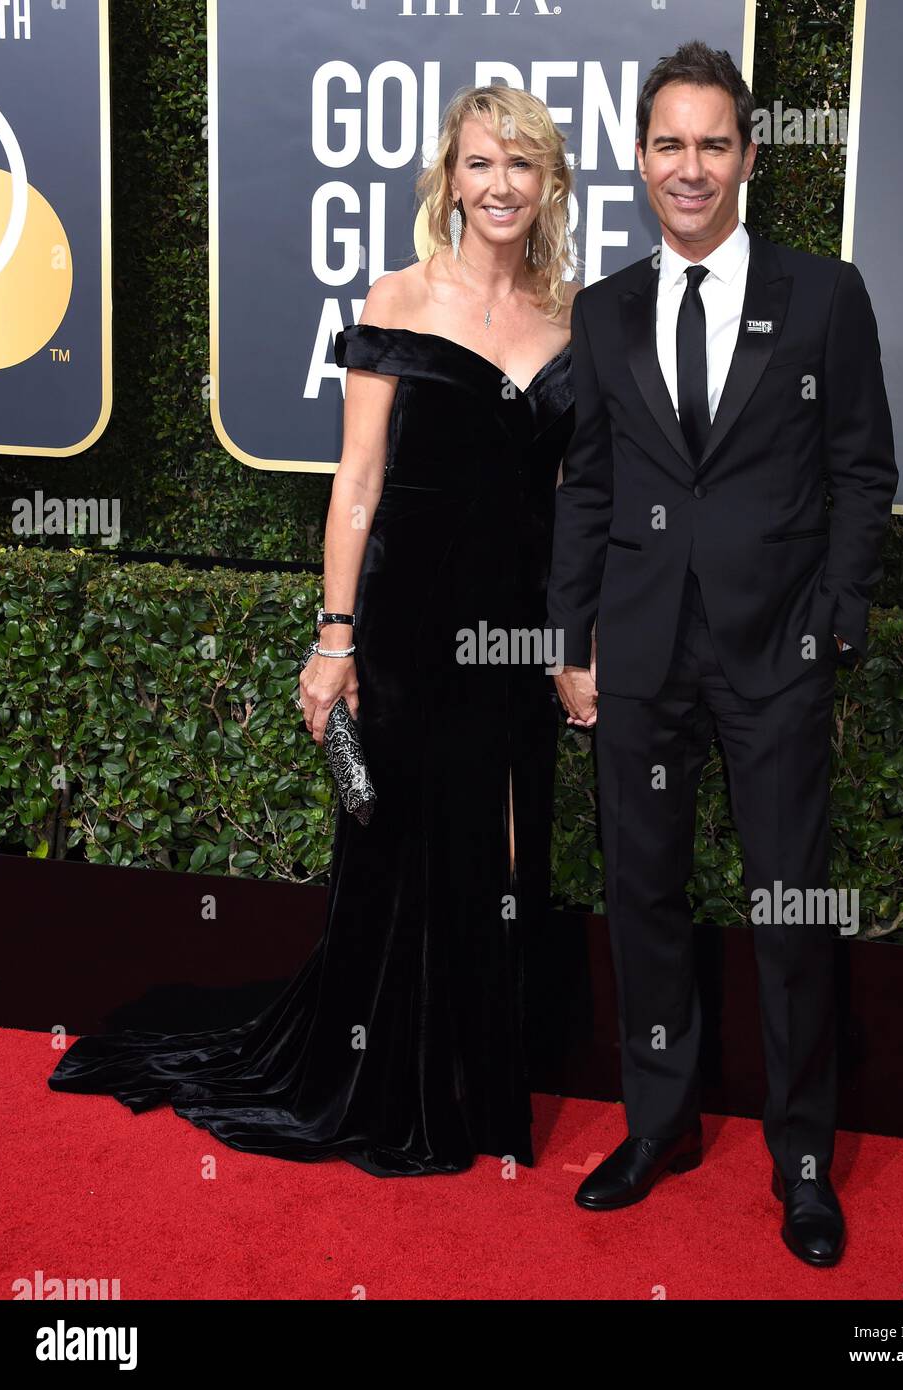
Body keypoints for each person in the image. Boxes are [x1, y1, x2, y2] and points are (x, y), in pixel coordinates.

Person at [49, 85, 579, 1177]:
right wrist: (334, 638)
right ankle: (384, 1079)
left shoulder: (573, 318)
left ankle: (483, 1088)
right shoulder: (398, 297)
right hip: (411, 619)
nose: (500, 186)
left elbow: (576, 497)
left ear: (550, 184)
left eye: (522, 165)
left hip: (520, 629)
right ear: (450, 177)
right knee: (402, 843)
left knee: (509, 851)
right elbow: (358, 483)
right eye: (481, 163)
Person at [545, 42, 896, 1263]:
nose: (688, 167)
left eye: (711, 143)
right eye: (666, 144)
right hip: (638, 656)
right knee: (641, 897)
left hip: (773, 656)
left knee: (787, 907)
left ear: (749, 155)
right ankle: (658, 1127)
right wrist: (566, 639)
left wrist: (833, 619)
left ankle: (802, 1163)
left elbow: (861, 470)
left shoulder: (822, 296)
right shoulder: (603, 312)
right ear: (639, 161)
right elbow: (585, 487)